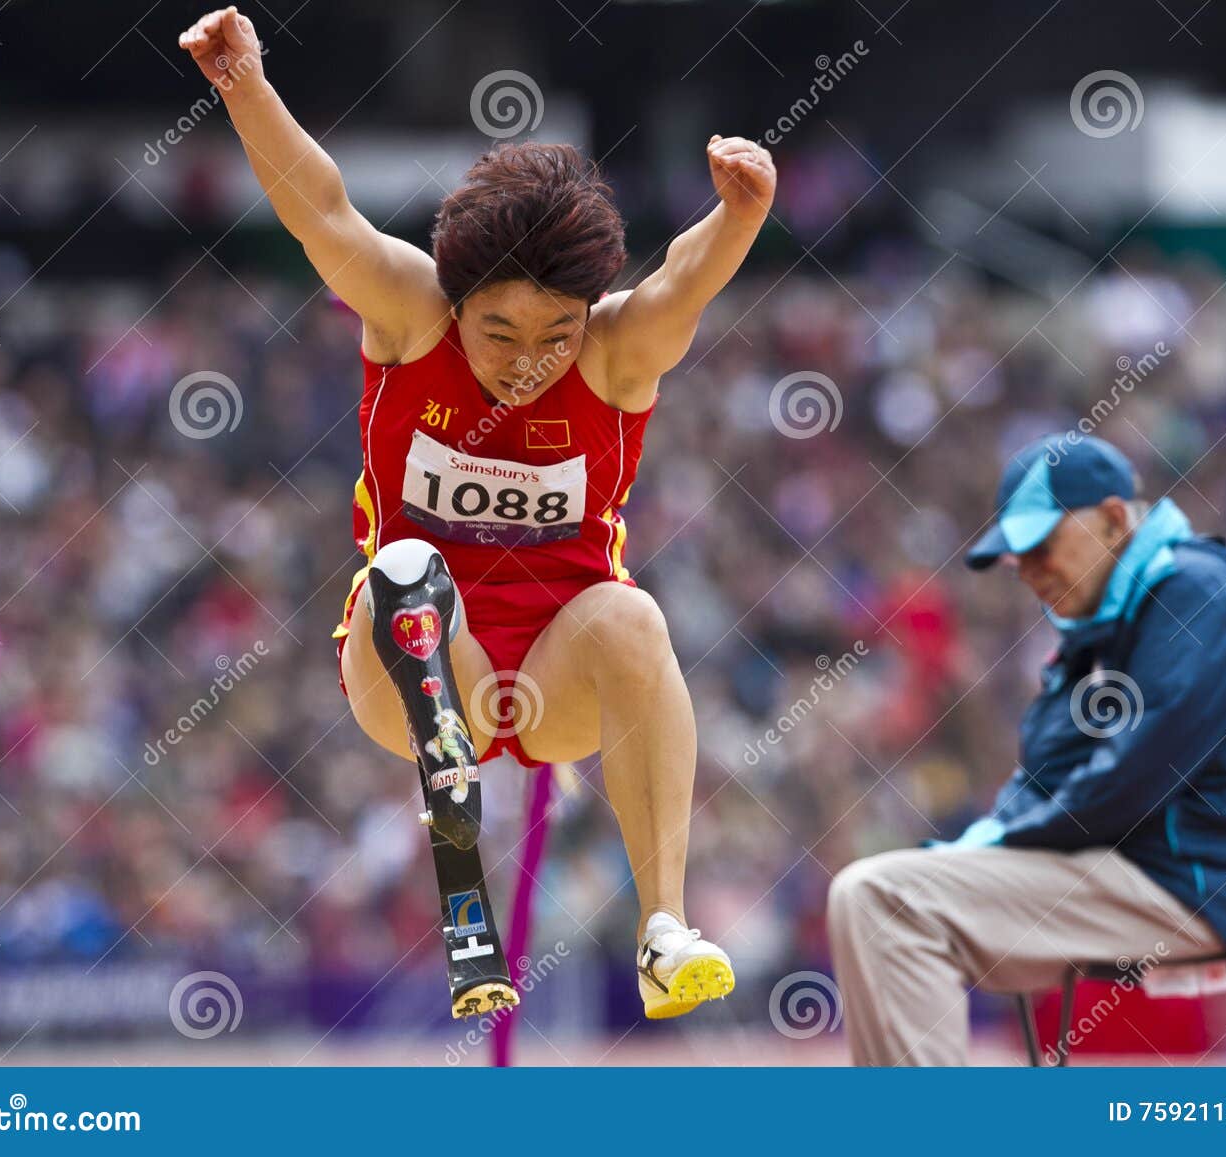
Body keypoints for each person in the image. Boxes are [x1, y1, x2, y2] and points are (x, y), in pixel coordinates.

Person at [179, 6, 776, 1018]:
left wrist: (743, 212)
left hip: (557, 679)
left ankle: (664, 931)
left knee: (634, 612)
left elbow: (681, 280)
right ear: (455, 300)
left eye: (555, 333)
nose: (526, 359)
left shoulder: (616, 353)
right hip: (409, 666)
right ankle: (463, 897)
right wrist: (244, 83)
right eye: (497, 330)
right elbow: (320, 209)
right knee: (408, 569)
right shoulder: (410, 316)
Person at [827, 434, 1226, 1064]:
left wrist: (995, 845)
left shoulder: (1197, 590)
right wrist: (978, 845)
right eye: (1018, 558)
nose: (1030, 572)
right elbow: (1044, 773)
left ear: (1115, 518)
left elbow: (1132, 777)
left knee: (885, 900)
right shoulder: (1097, 627)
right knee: (864, 896)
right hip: (1128, 869)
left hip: (1200, 884)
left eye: (1041, 548)